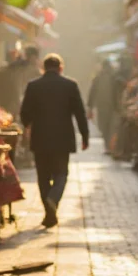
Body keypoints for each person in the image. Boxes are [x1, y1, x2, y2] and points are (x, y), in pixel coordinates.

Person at [19, 54, 90, 228]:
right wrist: (85, 136)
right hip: (62, 139)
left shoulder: (33, 86)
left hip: (40, 138)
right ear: (61, 68)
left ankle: (49, 213)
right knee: (61, 174)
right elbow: (80, 113)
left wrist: (27, 125)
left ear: (43, 68)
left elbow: (24, 113)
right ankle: (53, 199)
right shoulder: (70, 85)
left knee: (43, 177)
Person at [87, 58, 121, 149]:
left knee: (104, 126)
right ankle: (109, 145)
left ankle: (108, 145)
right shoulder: (114, 77)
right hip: (112, 106)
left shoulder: (98, 77)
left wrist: (90, 107)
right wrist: (119, 107)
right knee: (110, 126)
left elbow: (92, 92)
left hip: (102, 106)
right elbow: (117, 93)